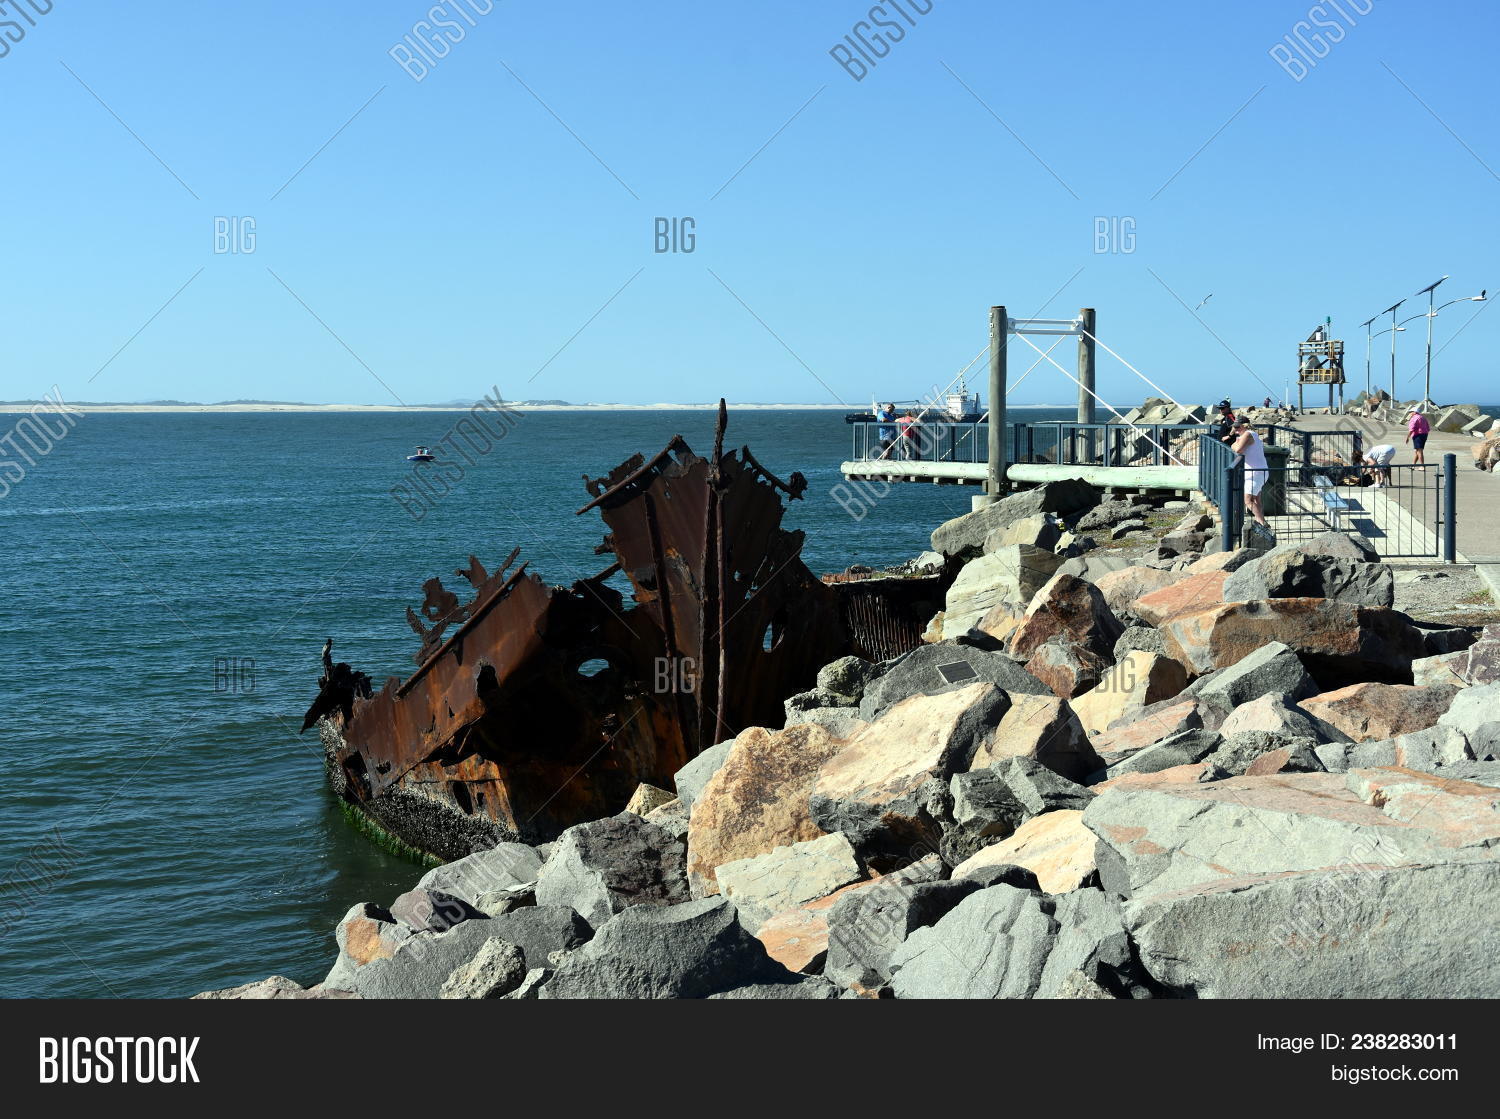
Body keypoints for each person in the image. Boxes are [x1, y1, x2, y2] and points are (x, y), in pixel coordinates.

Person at [1230, 419, 1271, 534]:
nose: (1236, 429)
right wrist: (1236, 441)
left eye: (1238, 427)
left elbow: (1238, 449)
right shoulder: (1248, 435)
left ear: (1245, 426)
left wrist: (1234, 444)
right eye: (1234, 427)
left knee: (1248, 500)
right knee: (1256, 499)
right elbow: (1238, 447)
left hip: (1256, 472)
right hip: (1258, 471)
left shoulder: (1248, 434)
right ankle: (1261, 522)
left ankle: (1263, 523)